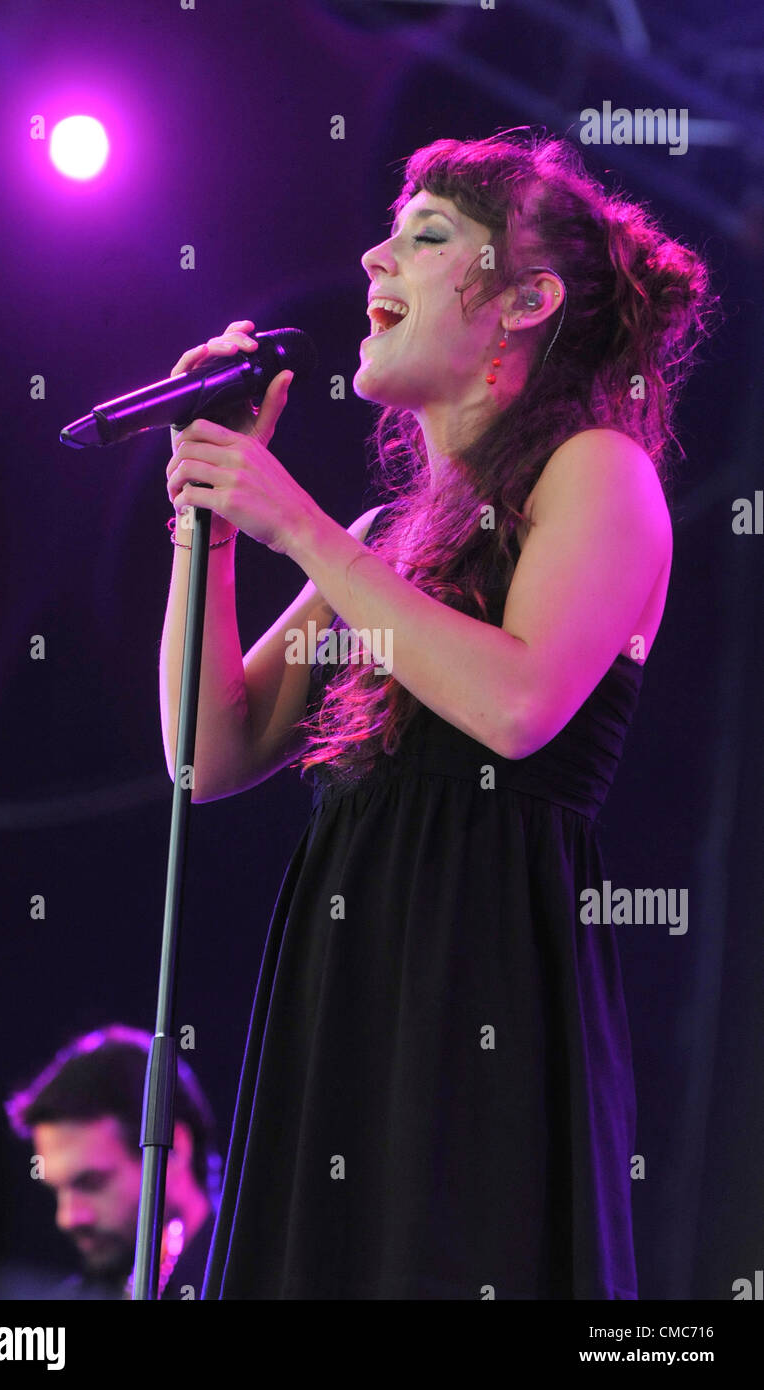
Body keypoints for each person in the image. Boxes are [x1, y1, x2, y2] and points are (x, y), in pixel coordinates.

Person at [160, 131, 718, 1299]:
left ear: (525, 301)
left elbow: (516, 705)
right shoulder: (379, 543)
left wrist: (298, 528)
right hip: (346, 971)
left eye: (423, 239)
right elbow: (200, 755)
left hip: (481, 978)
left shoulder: (598, 470)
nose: (375, 258)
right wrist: (204, 522)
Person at [5, 1024, 221, 1299]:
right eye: (56, 1190)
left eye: (91, 1183)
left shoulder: (268, 1277)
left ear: (174, 1149)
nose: (68, 1218)